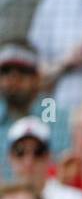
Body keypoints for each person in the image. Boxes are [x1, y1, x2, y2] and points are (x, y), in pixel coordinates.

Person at [5, 118, 82, 199]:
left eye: (38, 152)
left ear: (49, 156)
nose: (29, 161)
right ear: (9, 158)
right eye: (20, 152)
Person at [0, 41, 69, 179]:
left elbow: (60, 163)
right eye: (6, 71)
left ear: (37, 77)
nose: (13, 79)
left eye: (22, 71)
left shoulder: (52, 113)